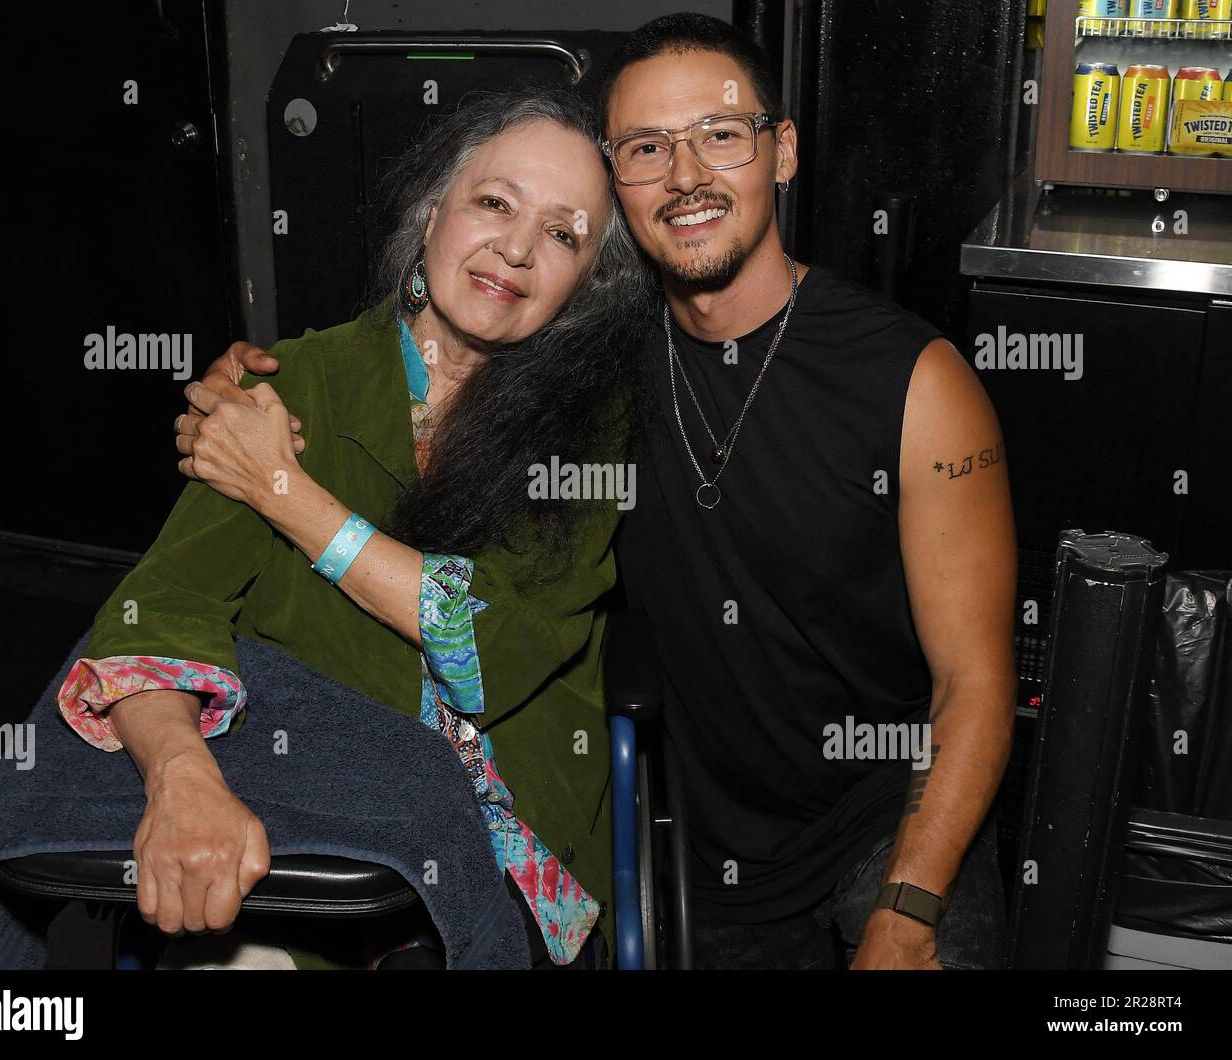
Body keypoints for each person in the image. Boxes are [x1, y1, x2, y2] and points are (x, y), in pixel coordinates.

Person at [216, 13, 1017, 971]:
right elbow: (422, 350)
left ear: (783, 151)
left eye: (720, 135)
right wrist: (254, 388)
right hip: (689, 835)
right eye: (646, 148)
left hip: (881, 823)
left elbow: (975, 683)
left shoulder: (918, 384)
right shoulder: (583, 359)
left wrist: (910, 904)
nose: (685, 177)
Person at [56, 84, 657, 970]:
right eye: (495, 202)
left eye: (564, 235)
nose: (518, 249)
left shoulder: (590, 431)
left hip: (504, 812)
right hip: (304, 797)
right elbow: (158, 609)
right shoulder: (288, 383)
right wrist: (182, 777)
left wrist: (281, 489)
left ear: (582, 287)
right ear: (431, 214)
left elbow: (487, 644)